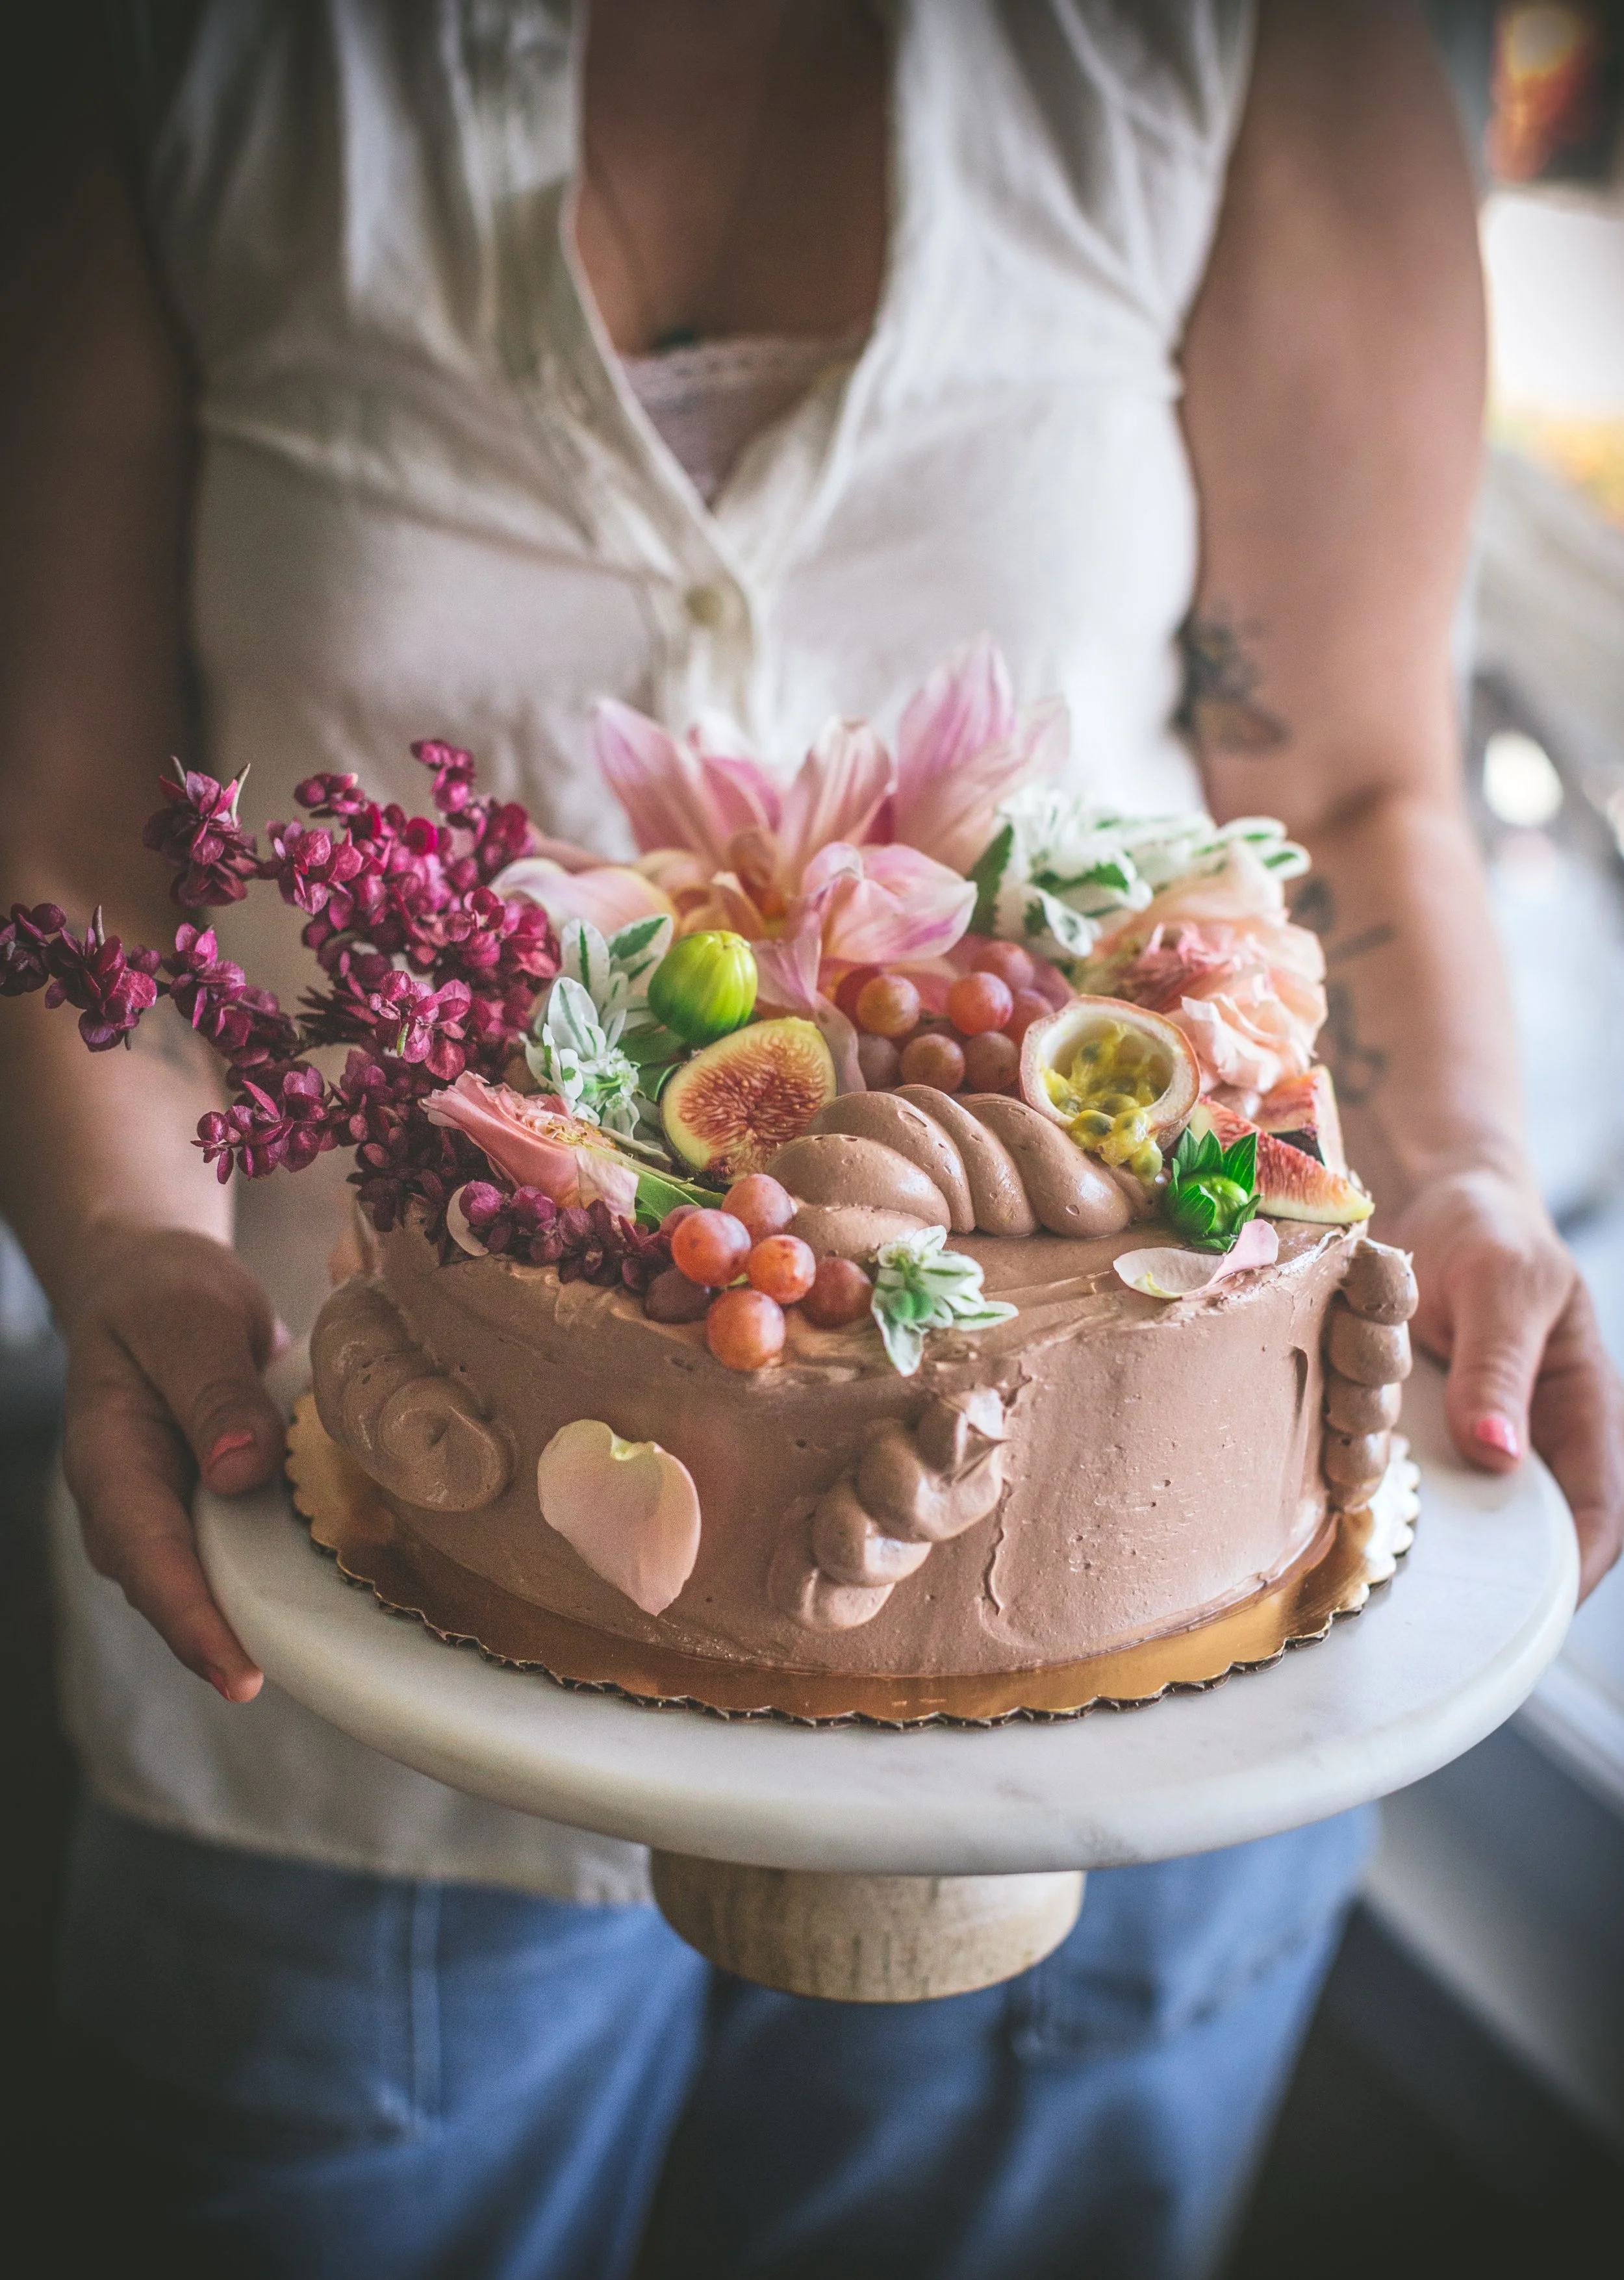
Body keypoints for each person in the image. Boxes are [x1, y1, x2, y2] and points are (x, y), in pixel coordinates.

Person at [2, 3, 1619, 2275]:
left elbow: (1347, 775)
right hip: (338, 1670)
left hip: (1137, 1725)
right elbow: (67, 834)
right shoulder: (171, 59)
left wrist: (1444, 1167)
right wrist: (121, 1252)